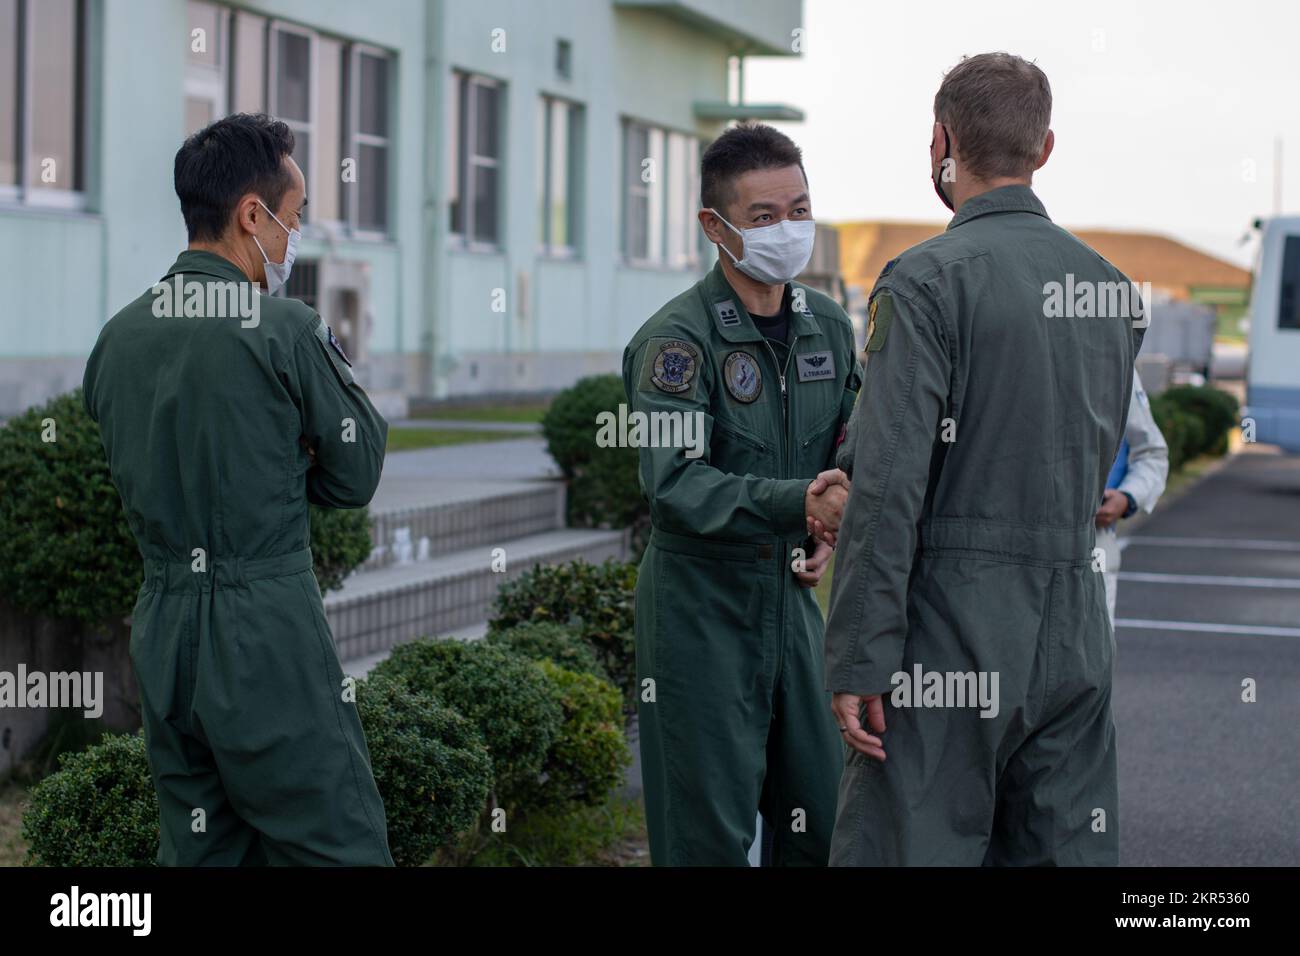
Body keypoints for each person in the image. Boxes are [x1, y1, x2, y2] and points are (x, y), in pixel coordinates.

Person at [823, 53, 1144, 866]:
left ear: (941, 139)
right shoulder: (1108, 289)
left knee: (910, 848)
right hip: (1074, 622)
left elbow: (892, 484)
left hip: (952, 627)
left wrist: (860, 653)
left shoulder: (927, 281)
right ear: (1045, 149)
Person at [82, 113, 393, 866]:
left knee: (202, 846)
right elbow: (355, 472)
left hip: (161, 631)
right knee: (336, 841)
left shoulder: (116, 340)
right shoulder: (282, 328)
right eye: (295, 218)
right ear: (252, 214)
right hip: (263, 629)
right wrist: (297, 453)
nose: (295, 239)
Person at [621, 122, 862, 865]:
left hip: (792, 606)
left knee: (820, 827)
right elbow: (675, 484)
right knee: (708, 841)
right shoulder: (677, 342)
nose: (788, 230)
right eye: (763, 217)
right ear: (714, 227)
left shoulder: (827, 327)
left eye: (799, 209)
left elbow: (847, 446)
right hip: (700, 615)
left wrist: (825, 526)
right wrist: (800, 506)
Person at [1096, 370, 1169, 623]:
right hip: (1007, 559)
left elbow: (1152, 455)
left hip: (1093, 553)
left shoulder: (1115, 363)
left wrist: (1127, 497)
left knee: (1090, 660)